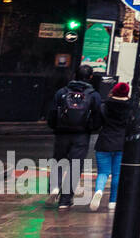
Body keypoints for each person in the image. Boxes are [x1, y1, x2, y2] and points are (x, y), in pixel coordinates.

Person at [45, 65, 103, 210]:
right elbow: (97, 116)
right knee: (75, 166)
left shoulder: (62, 92)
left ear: (74, 75)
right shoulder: (93, 95)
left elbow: (52, 112)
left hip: (62, 132)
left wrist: (54, 126)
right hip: (81, 134)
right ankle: (65, 200)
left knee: (58, 160)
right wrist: (91, 128)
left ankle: (54, 187)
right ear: (90, 77)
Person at [91, 81, 131, 211]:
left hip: (104, 142)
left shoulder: (104, 106)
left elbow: (96, 124)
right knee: (117, 174)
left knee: (102, 172)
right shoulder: (131, 107)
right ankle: (113, 201)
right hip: (122, 144)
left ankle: (99, 191)